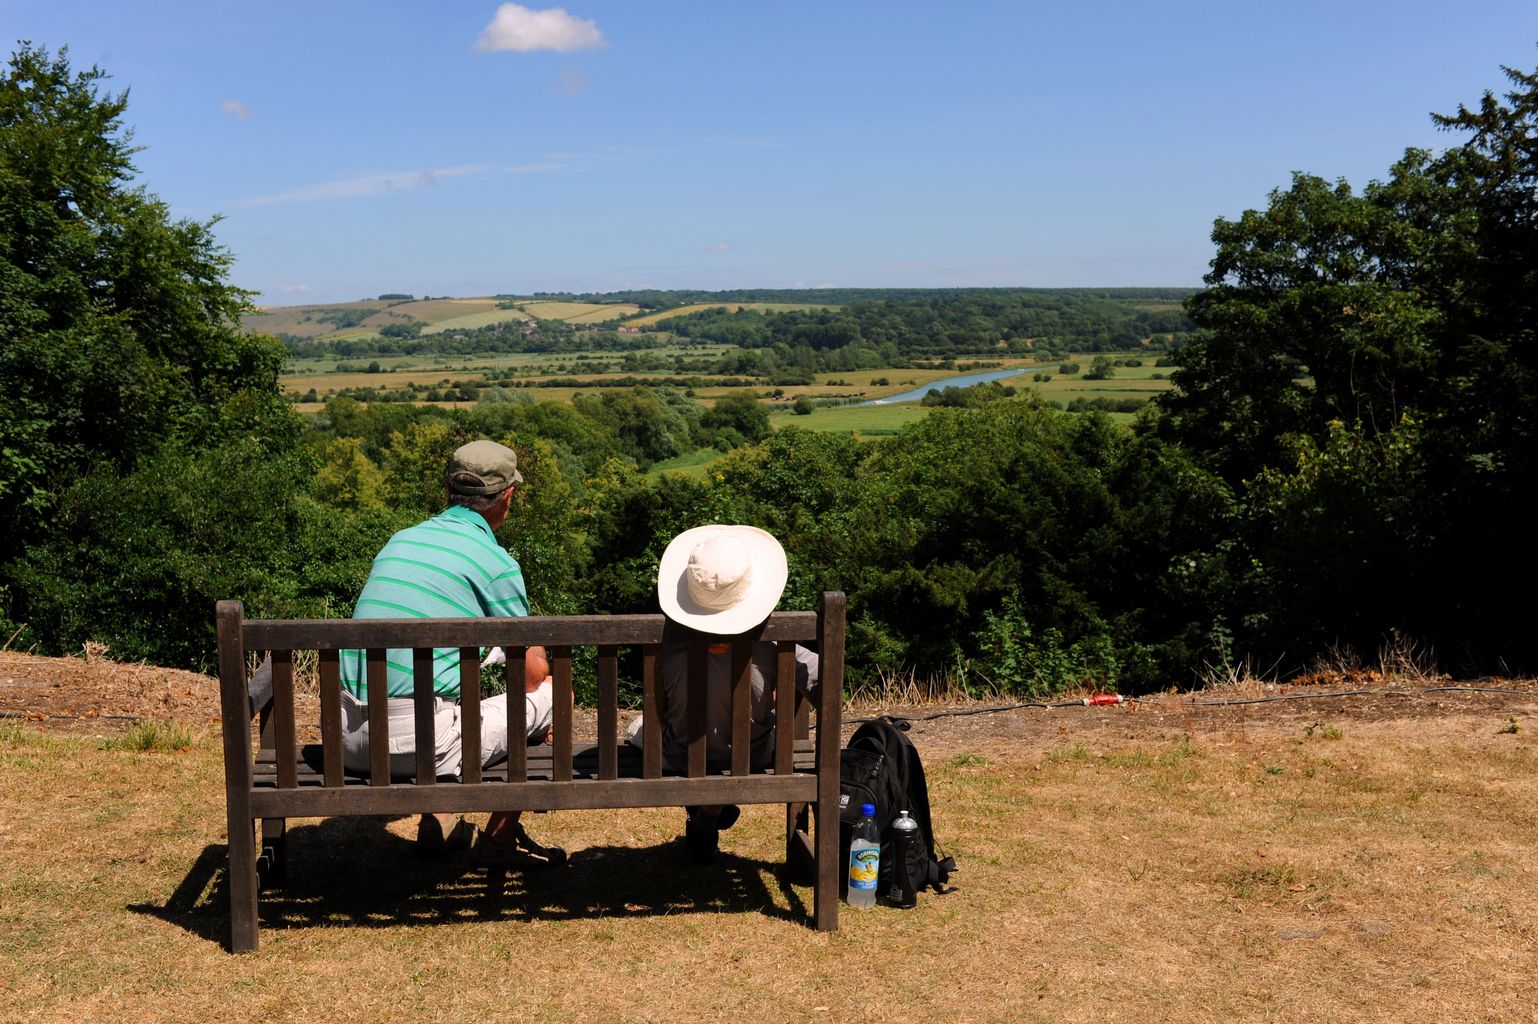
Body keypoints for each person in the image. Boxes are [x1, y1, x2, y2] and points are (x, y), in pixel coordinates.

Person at [339, 438, 559, 865]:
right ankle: (498, 841)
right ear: (507, 497)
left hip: (346, 738)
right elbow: (529, 678)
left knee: (443, 697)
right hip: (419, 747)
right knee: (551, 693)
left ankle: (440, 816)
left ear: (449, 491)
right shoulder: (496, 563)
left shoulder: (399, 541)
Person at [646, 524, 819, 863]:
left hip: (679, 756)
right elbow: (823, 684)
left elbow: (661, 710)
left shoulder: (665, 646)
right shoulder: (772, 645)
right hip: (754, 755)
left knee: (641, 731)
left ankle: (706, 812)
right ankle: (709, 814)